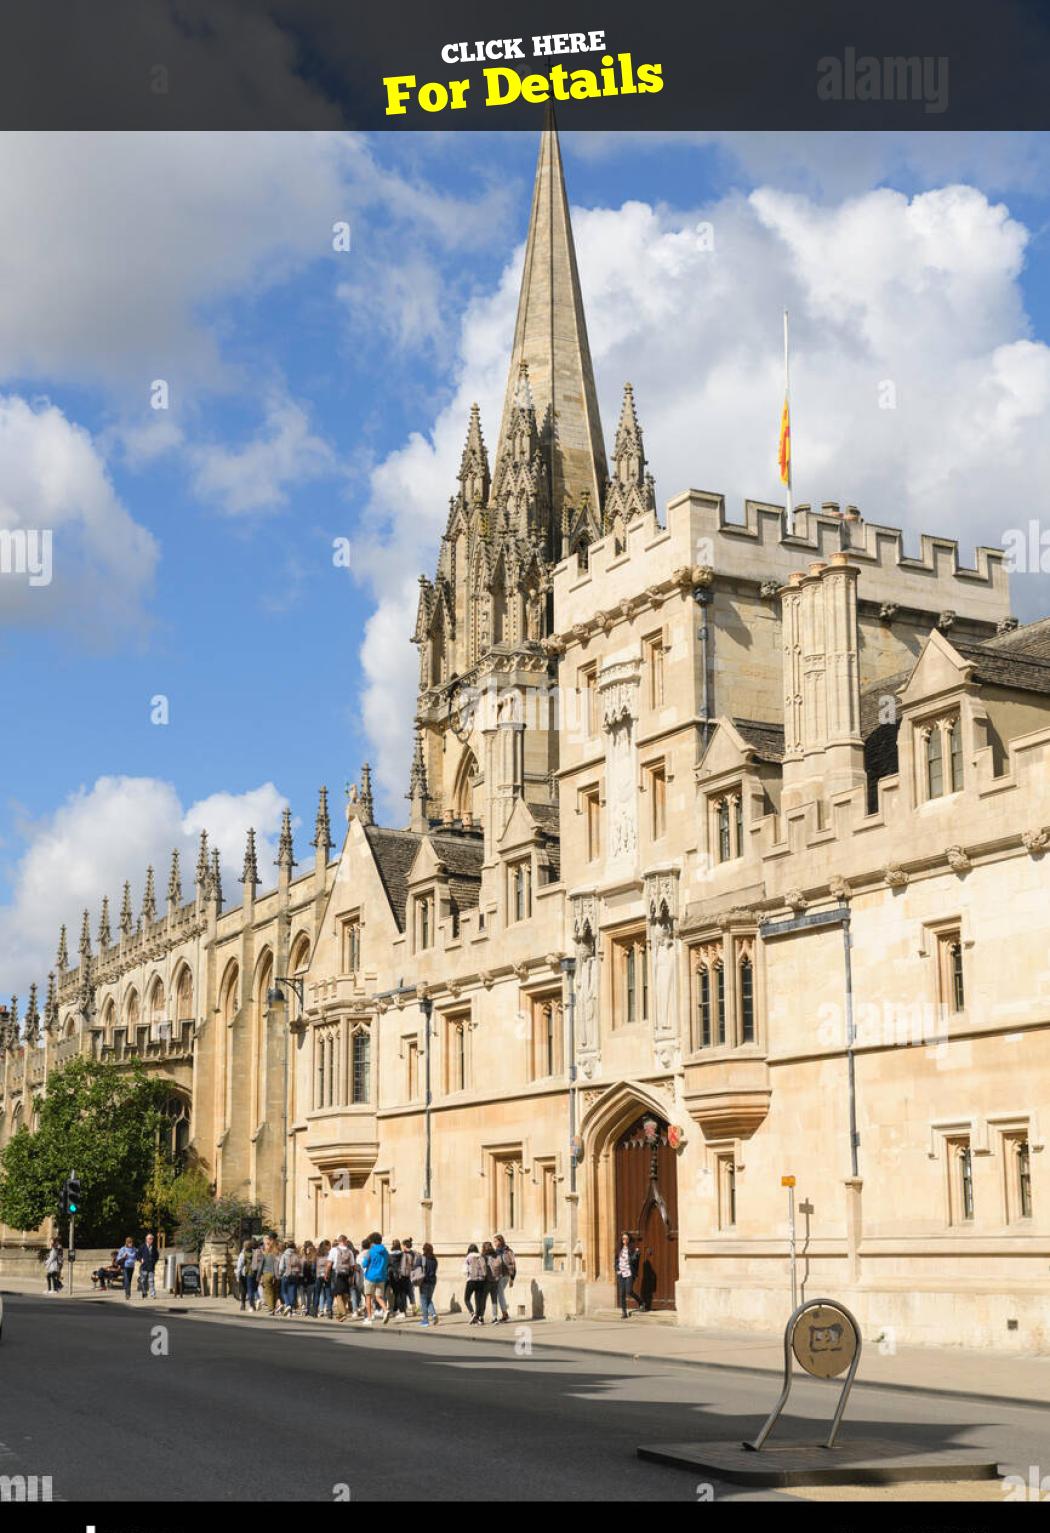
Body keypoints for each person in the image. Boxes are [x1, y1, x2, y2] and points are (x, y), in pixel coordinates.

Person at [361, 1231, 390, 1326]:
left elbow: (364, 1264)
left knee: (368, 1297)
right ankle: (385, 1310)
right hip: (382, 1276)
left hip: (370, 1276)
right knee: (378, 1297)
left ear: (372, 1242)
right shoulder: (385, 1252)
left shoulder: (371, 1251)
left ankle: (369, 1318)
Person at [328, 1234, 354, 1321]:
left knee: (338, 1294)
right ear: (346, 1241)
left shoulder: (333, 1250)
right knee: (345, 1294)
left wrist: (326, 1273)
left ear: (339, 1241)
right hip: (347, 1273)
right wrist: (352, 1276)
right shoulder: (350, 1252)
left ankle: (343, 1313)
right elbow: (352, 1265)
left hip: (337, 1273)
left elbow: (329, 1263)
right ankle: (340, 1315)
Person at [491, 1233, 516, 1324]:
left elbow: (513, 1264)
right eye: (494, 1241)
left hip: (505, 1276)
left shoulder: (508, 1251)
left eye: (496, 1241)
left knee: (500, 1294)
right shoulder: (495, 1252)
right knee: (500, 1294)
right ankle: (504, 1312)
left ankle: (505, 1314)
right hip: (497, 1276)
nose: (494, 1243)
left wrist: (512, 1278)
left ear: (500, 1241)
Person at [615, 1231, 640, 1319]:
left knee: (629, 1291)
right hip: (621, 1273)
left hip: (629, 1272)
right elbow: (616, 1260)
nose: (624, 1240)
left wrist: (636, 1254)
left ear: (629, 1240)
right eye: (623, 1239)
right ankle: (624, 1312)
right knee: (622, 1293)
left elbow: (633, 1260)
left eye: (626, 1238)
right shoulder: (619, 1249)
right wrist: (617, 1269)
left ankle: (640, 1302)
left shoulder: (633, 1249)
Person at [464, 1243, 488, 1325]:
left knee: (466, 1298)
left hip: (471, 1280)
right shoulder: (480, 1256)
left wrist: (468, 1274)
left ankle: (472, 1313)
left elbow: (464, 1270)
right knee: (478, 1300)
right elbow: (484, 1267)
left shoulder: (468, 1257)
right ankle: (479, 1317)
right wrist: (483, 1275)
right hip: (481, 1280)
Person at [417, 1242, 438, 1327]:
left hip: (424, 1281)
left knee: (424, 1301)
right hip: (433, 1281)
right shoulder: (434, 1259)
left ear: (424, 1250)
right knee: (429, 1299)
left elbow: (416, 1268)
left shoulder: (422, 1258)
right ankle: (433, 1314)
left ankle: (425, 1321)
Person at [278, 1241, 302, 1315]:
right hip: (295, 1275)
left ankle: (288, 1305)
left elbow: (281, 1267)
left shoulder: (284, 1255)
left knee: (284, 1291)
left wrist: (280, 1274)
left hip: (286, 1274)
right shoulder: (296, 1255)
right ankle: (291, 1309)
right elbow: (300, 1265)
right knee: (292, 1292)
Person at [258, 1234, 280, 1314]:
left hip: (266, 1275)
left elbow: (260, 1267)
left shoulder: (265, 1255)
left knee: (268, 1292)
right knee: (274, 1292)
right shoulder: (277, 1254)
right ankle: (273, 1307)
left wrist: (258, 1277)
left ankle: (271, 1309)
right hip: (276, 1275)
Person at [480, 1240, 500, 1322]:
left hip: (486, 1281)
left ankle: (481, 1317)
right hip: (495, 1280)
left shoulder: (483, 1256)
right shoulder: (495, 1255)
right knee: (494, 1299)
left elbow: (483, 1267)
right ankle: (495, 1317)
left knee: (483, 1299)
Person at [404, 1237, 424, 1316]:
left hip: (407, 1275)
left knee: (405, 1293)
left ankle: (405, 1310)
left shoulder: (405, 1254)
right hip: (413, 1274)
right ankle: (414, 1309)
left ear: (405, 1246)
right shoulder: (416, 1253)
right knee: (411, 1293)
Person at [312, 1240, 332, 1319]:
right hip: (327, 1276)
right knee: (328, 1293)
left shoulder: (317, 1255)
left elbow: (313, 1267)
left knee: (317, 1293)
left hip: (318, 1276)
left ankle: (315, 1312)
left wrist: (314, 1273)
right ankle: (329, 1311)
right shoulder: (329, 1255)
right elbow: (331, 1265)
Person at [138, 1231, 160, 1299]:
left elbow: (157, 1256)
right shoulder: (142, 1246)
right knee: (143, 1281)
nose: (151, 1240)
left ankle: (153, 1294)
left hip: (151, 1267)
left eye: (152, 1239)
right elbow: (138, 1255)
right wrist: (141, 1260)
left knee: (151, 1281)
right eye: (150, 1238)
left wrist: (154, 1262)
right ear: (146, 1239)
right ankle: (144, 1293)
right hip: (144, 1267)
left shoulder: (154, 1247)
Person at [116, 1236, 138, 1301]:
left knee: (129, 1280)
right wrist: (124, 1257)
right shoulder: (123, 1249)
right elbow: (118, 1258)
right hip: (125, 1266)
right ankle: (127, 1294)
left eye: (131, 1242)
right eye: (129, 1242)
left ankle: (127, 1291)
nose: (130, 1244)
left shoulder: (134, 1249)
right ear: (127, 1243)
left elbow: (138, 1256)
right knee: (127, 1280)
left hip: (132, 1266)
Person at [301, 1241, 317, 1316]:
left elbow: (305, 1270)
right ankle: (311, 1309)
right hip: (314, 1279)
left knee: (308, 1295)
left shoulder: (306, 1260)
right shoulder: (315, 1259)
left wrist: (304, 1278)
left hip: (308, 1279)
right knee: (312, 1295)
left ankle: (308, 1309)